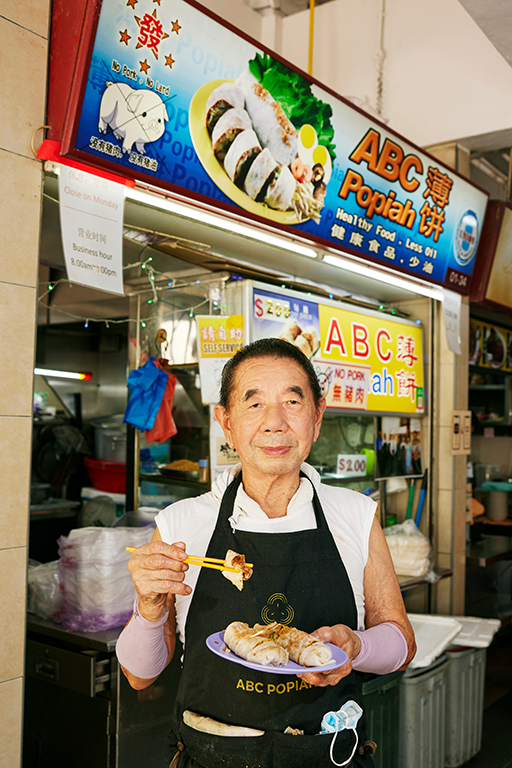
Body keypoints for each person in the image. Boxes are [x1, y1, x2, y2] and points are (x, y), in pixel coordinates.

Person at [116, 338, 416, 768]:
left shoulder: (355, 513)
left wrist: (356, 646)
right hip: (211, 755)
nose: (275, 423)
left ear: (317, 417)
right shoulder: (180, 525)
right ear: (226, 422)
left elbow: (401, 644)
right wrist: (149, 609)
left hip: (326, 756)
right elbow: (139, 675)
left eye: (293, 402)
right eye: (253, 404)